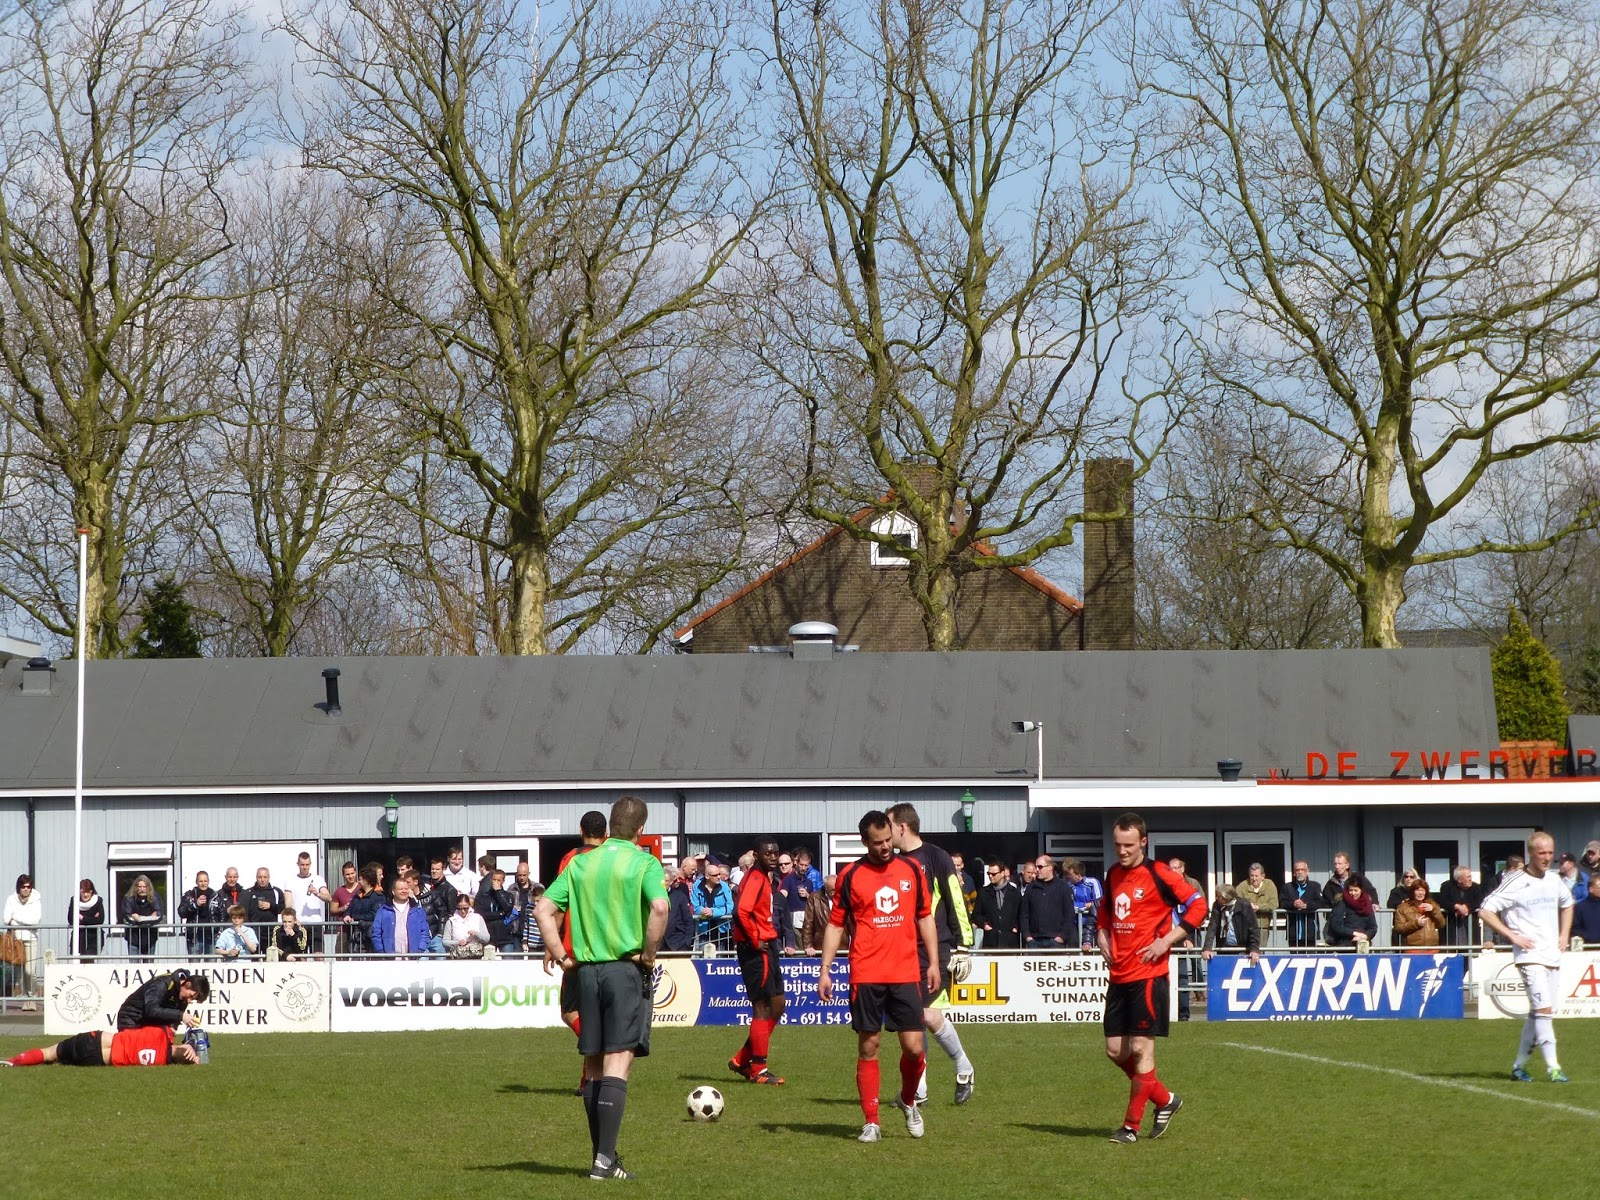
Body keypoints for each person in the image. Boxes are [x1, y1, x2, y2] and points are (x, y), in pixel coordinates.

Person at [535, 795, 669, 1182]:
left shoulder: (580, 862)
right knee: (617, 1062)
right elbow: (659, 908)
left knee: (593, 1066)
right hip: (624, 969)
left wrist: (562, 956)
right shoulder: (643, 862)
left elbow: (543, 908)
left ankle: (603, 1159)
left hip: (585, 971)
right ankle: (604, 1161)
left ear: (610, 826)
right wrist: (648, 953)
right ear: (641, 829)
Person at [817, 810, 940, 1144]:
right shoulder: (851, 875)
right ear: (864, 841)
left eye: (888, 840)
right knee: (869, 1045)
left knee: (914, 1049)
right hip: (866, 972)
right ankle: (871, 1121)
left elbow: (925, 916)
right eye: (878, 843)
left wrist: (933, 963)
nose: (886, 847)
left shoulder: (911, 869)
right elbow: (836, 924)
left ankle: (908, 1100)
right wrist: (825, 970)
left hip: (905, 970)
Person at [1097, 812, 1208, 1145]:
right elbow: (1105, 908)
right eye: (1117, 844)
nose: (1122, 851)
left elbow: (1198, 905)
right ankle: (1164, 1099)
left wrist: (1166, 940)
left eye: (1129, 845)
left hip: (1149, 975)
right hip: (1120, 974)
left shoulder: (1159, 873)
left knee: (1143, 1049)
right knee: (1115, 1051)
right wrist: (1102, 932)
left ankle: (1130, 1126)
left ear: (1143, 841)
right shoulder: (1113, 873)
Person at [887, 802, 977, 1106]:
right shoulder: (895, 863)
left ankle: (960, 1067)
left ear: (902, 826)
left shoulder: (936, 857)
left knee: (925, 1014)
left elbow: (955, 899)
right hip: (904, 949)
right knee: (914, 1017)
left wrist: (964, 946)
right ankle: (925, 1087)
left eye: (889, 826)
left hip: (935, 946)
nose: (886, 834)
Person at [1479, 832, 1575, 1083]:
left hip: (1552, 954)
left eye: (1550, 853)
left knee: (1542, 1012)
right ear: (1531, 854)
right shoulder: (1515, 881)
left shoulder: (1555, 881)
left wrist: (1564, 934)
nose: (1547, 858)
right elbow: (1485, 910)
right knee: (1543, 1010)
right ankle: (1553, 1067)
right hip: (1529, 956)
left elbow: (1568, 904)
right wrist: (1512, 935)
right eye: (1541, 853)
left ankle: (1519, 1066)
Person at [555, 810, 610, 1090]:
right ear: (606, 834)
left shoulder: (572, 859)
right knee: (597, 1011)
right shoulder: (615, 857)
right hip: (612, 947)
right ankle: (590, 1077)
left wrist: (551, 945)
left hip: (576, 949)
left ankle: (595, 1049)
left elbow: (558, 903)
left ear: (580, 830)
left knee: (571, 1012)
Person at [728, 838, 786, 1086]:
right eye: (768, 854)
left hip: (767, 944)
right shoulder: (754, 878)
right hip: (756, 948)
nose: (773, 857)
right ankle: (758, 1069)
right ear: (757, 856)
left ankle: (742, 1059)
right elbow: (740, 911)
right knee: (762, 1007)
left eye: (776, 853)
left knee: (778, 1004)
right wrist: (754, 939)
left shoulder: (766, 878)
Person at [5, 1027, 201, 1068]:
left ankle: (13, 1062)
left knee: (50, 1052)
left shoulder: (161, 1034)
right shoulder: (159, 1064)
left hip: (96, 1040)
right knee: (56, 1059)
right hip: (97, 1061)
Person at [115, 969, 208, 1030]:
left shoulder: (183, 994)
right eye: (191, 996)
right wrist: (181, 1016)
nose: (189, 1001)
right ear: (188, 984)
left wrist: (172, 1028)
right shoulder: (162, 983)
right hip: (131, 1018)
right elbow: (151, 1009)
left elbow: (175, 1018)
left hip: (149, 1022)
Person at [1019, 854, 1073, 950]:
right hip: (1034, 942)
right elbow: (1024, 914)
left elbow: (1069, 914)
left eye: (1040, 867)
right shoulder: (1031, 888)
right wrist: (1028, 937)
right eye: (1036, 867)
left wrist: (1061, 937)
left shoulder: (1063, 887)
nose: (1036, 870)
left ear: (1050, 867)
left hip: (1056, 942)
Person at [4, 874, 42, 1009]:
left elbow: (35, 921)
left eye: (28, 887)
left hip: (31, 939)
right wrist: (20, 920)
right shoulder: (11, 899)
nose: (26, 889)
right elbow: (6, 919)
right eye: (23, 887)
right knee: (20, 973)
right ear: (19, 887)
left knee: (30, 971)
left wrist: (16, 918)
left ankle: (32, 996)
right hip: (17, 940)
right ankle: (26, 998)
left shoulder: (36, 899)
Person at [1201, 884, 1261, 965]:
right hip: (1224, 947)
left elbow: (1253, 928)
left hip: (1243, 948)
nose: (1217, 898)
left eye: (1219, 896)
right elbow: (1212, 927)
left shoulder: (1244, 905)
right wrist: (1207, 948)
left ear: (1227, 897)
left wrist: (1254, 949)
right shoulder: (1217, 906)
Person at [371, 876, 429, 957]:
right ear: (393, 891)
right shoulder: (383, 911)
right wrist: (381, 951)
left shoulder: (418, 911)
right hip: (390, 960)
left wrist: (420, 949)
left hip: (413, 959)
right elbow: (376, 933)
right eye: (400, 889)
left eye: (406, 888)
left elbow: (425, 932)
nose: (404, 891)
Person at [291, 852, 332, 955]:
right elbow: (288, 902)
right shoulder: (291, 880)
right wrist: (293, 919)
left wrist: (317, 893)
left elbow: (328, 897)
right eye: (302, 865)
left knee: (319, 956)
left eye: (307, 865)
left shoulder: (318, 879)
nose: (305, 867)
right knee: (301, 957)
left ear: (310, 864)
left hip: (315, 923)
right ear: (298, 864)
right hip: (299, 924)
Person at [974, 862, 1021, 949]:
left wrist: (1016, 927)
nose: (990, 876)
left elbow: (1021, 913)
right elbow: (976, 915)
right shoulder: (983, 892)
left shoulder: (1015, 893)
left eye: (994, 874)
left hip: (1010, 942)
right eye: (989, 874)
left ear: (1002, 873)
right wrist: (984, 924)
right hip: (991, 941)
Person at [1440, 865, 1486, 947]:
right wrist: (1456, 906)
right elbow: (1443, 901)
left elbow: (1479, 901)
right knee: (1452, 952)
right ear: (1459, 879)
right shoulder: (1447, 886)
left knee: (1471, 953)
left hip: (1470, 926)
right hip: (1452, 926)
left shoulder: (1476, 887)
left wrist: (1467, 908)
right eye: (1467, 877)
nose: (1470, 879)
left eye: (1470, 876)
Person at [692, 861, 734, 949]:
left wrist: (713, 912)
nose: (719, 877)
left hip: (721, 930)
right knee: (704, 958)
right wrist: (704, 912)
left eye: (719, 874)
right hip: (703, 929)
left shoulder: (724, 887)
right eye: (715, 875)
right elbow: (695, 906)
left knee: (720, 959)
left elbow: (730, 906)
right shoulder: (697, 886)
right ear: (707, 876)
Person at [1392, 878, 1445, 948]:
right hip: (1412, 948)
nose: (1420, 893)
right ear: (1412, 892)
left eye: (1423, 890)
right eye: (1418, 890)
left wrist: (1433, 910)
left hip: (1432, 947)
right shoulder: (1403, 907)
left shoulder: (1432, 905)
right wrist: (1416, 923)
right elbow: (1399, 928)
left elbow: (1441, 924)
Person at [121, 874, 162, 962]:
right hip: (133, 938)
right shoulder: (129, 899)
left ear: (148, 887)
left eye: (145, 886)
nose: (142, 889)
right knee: (134, 967)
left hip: (150, 937)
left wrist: (139, 918)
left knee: (149, 968)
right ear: (136, 887)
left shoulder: (155, 898)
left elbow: (159, 916)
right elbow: (128, 917)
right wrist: (150, 918)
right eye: (140, 886)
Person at [1325, 882, 1378, 949]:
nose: (1353, 893)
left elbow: (1373, 927)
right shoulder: (1341, 903)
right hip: (1344, 944)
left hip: (1363, 944)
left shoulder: (1367, 904)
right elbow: (1336, 925)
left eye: (1356, 890)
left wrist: (1365, 936)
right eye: (1351, 890)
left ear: (1361, 890)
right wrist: (1354, 933)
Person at [1064, 858, 1103, 948]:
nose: (1068, 877)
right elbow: (1068, 904)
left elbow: (1098, 902)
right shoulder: (1069, 886)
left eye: (1070, 874)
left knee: (1091, 949)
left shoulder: (1092, 882)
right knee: (1074, 948)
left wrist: (1091, 905)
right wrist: (1084, 905)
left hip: (1092, 922)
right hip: (1075, 922)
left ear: (1078, 875)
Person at [1282, 860, 1322, 948]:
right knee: (1294, 959)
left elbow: (1319, 902)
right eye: (1297, 870)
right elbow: (1282, 903)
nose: (1300, 872)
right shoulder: (1287, 887)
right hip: (1293, 930)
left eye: (1303, 870)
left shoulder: (1315, 886)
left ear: (1307, 871)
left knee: (1310, 958)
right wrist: (1293, 904)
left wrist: (1306, 906)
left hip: (1310, 930)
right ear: (1294, 873)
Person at [177, 871, 217, 957]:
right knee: (194, 964)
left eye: (205, 881)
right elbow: (181, 912)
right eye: (200, 881)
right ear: (196, 882)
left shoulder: (215, 896)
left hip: (211, 936)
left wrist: (219, 931)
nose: (203, 884)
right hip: (194, 936)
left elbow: (221, 915)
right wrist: (195, 905)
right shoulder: (189, 895)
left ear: (208, 881)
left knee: (211, 965)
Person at [346, 866, 384, 954]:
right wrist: (347, 915)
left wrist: (355, 918)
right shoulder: (358, 895)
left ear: (366, 881)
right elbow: (350, 908)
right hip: (358, 935)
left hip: (371, 935)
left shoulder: (378, 897)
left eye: (360, 879)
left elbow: (374, 915)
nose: (358, 881)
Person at [244, 868, 285, 949]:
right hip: (254, 931)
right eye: (260, 877)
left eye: (265, 877)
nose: (262, 880)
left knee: (271, 957)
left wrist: (271, 906)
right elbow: (244, 912)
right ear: (256, 877)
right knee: (255, 958)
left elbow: (283, 909)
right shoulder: (248, 892)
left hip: (271, 931)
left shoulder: (276, 891)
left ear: (269, 877)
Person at [1236, 863, 1279, 941]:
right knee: (1245, 951)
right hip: (1245, 926)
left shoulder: (1270, 885)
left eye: (1256, 876)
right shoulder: (1242, 886)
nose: (1254, 878)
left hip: (1262, 926)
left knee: (1260, 951)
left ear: (1263, 876)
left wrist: (1258, 907)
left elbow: (1274, 904)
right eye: (1252, 876)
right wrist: (1248, 907)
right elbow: (1236, 902)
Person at [663, 862, 697, 952]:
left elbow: (688, 920)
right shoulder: (655, 896)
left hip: (678, 943)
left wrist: (687, 942)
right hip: (659, 944)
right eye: (675, 879)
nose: (678, 881)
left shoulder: (680, 896)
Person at [445, 892, 491, 956]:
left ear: (469, 906)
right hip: (457, 957)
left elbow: (487, 938)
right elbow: (445, 942)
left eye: (465, 908)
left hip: (476, 956)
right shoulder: (451, 921)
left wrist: (476, 934)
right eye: (459, 908)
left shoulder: (478, 918)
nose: (462, 911)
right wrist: (458, 943)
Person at [799, 874, 836, 953]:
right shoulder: (815, 898)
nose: (834, 893)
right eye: (832, 890)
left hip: (841, 945)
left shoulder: (844, 897)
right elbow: (808, 923)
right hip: (821, 944)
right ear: (826, 888)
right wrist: (807, 945)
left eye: (836, 889)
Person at [70, 879, 105, 959]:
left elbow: (100, 920)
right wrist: (92, 919)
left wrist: (82, 918)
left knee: (89, 961)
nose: (85, 895)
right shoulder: (74, 900)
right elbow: (71, 920)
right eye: (83, 892)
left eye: (88, 892)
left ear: (92, 891)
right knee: (77, 961)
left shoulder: (98, 901)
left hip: (94, 937)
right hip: (78, 936)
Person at [1571, 874, 1600, 944]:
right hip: (1587, 947)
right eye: (1599, 888)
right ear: (1591, 889)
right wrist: (1589, 937)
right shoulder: (1580, 907)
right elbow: (1575, 928)